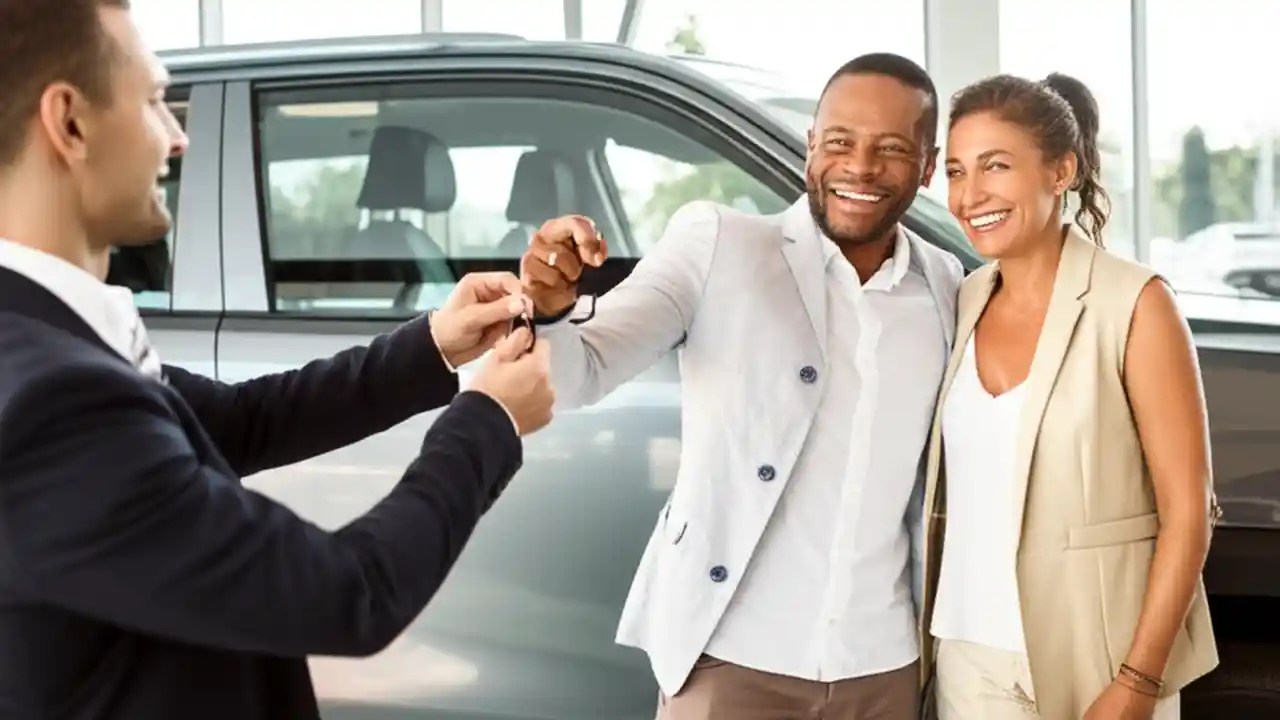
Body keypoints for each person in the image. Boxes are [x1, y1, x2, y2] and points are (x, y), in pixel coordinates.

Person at [0, 2, 555, 718]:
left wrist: (434, 344)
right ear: (70, 123)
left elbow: (244, 419)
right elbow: (348, 595)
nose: (177, 137)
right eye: (153, 101)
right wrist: (490, 419)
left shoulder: (42, 340)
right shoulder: (54, 404)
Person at [520, 53, 964, 719]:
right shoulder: (719, 244)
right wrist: (550, 309)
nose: (861, 167)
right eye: (840, 141)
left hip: (883, 670)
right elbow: (578, 374)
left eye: (892, 149)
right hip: (731, 661)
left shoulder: (946, 284)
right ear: (811, 147)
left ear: (927, 167)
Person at [920, 72, 1221, 719]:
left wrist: (1138, 681)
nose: (970, 195)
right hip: (969, 660)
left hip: (1101, 660)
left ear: (1062, 171)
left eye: (996, 166)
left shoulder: (1135, 303)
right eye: (956, 172)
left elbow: (1189, 514)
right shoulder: (964, 299)